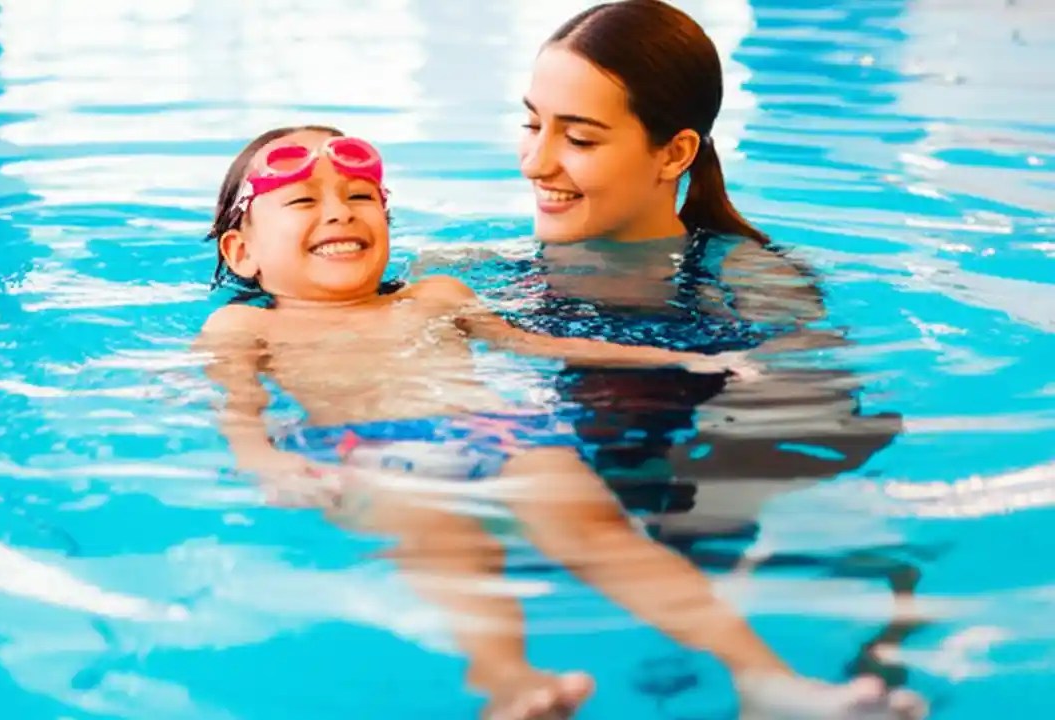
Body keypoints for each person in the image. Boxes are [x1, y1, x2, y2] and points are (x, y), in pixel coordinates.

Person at [193, 124, 925, 719]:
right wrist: (264, 459)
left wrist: (685, 360)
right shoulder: (244, 328)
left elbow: (541, 347)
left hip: (499, 434)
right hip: (366, 451)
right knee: (445, 543)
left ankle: (768, 682)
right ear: (242, 250)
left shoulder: (435, 295)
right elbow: (238, 406)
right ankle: (510, 684)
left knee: (603, 534)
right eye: (303, 201)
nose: (339, 213)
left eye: (360, 196)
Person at [414, 0, 921, 698]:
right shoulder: (476, 276)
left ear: (675, 153)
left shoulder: (746, 283)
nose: (536, 162)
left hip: (705, 509)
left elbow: (814, 421)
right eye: (532, 125)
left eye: (579, 138)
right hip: (574, 515)